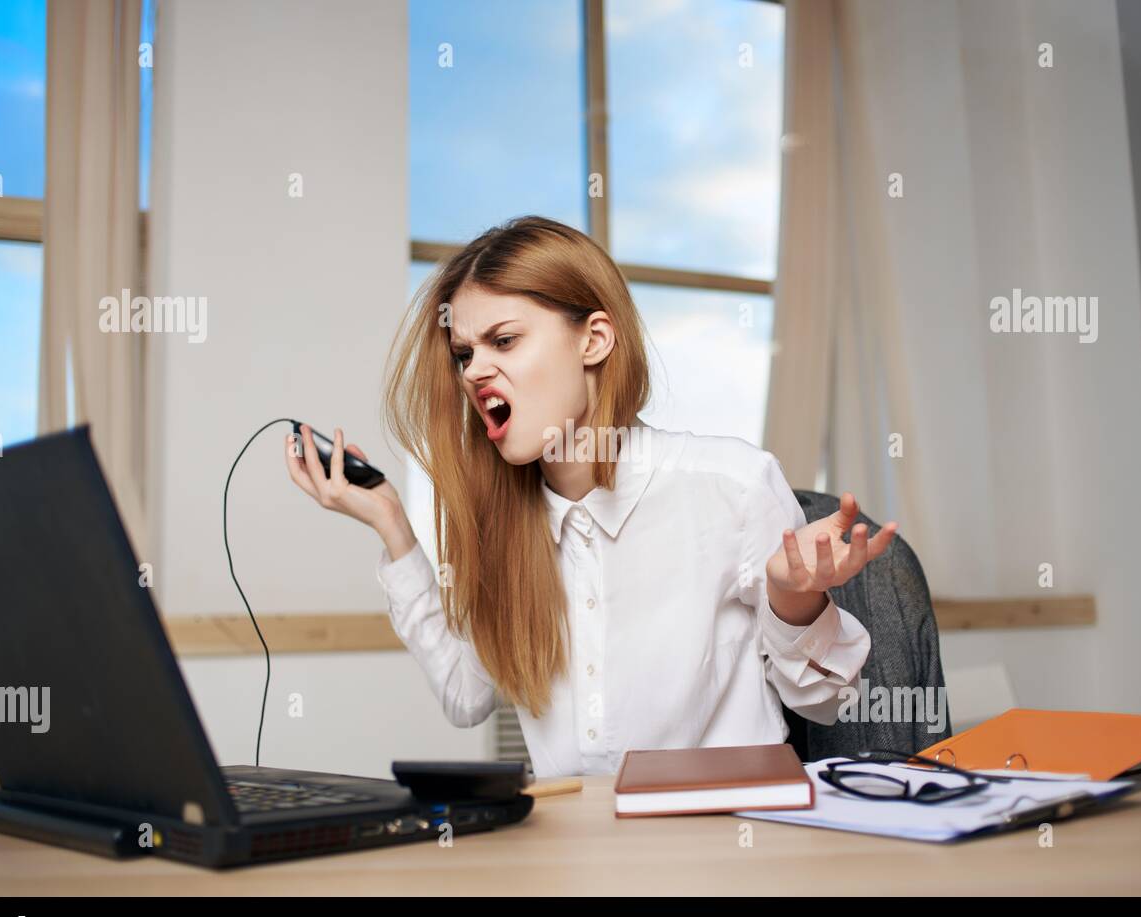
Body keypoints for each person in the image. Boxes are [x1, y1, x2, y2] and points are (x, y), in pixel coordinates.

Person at [285, 215, 897, 777]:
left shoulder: (731, 485)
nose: (472, 372)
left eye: (504, 341)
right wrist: (392, 526)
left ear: (595, 340)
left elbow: (827, 702)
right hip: (570, 858)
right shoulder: (504, 526)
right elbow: (467, 695)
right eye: (464, 354)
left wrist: (795, 602)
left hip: (723, 848)